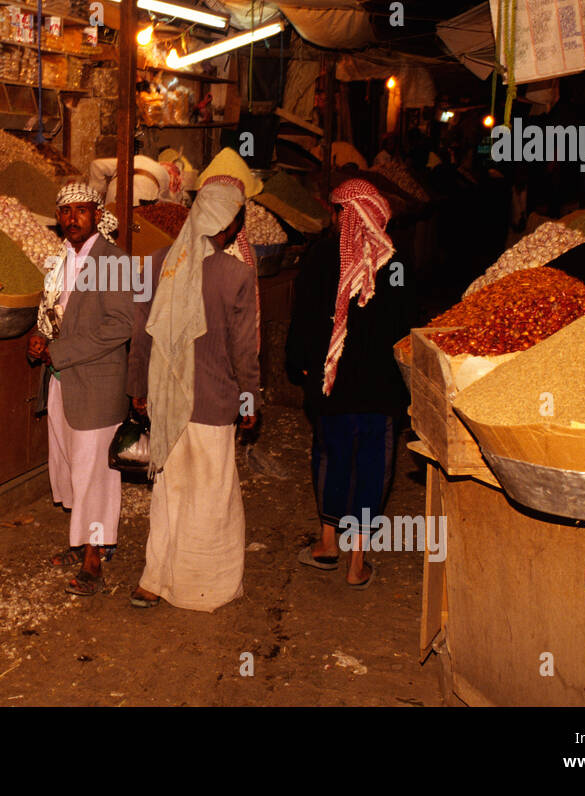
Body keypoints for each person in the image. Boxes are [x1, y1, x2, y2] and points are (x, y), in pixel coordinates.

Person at [127, 177, 260, 611]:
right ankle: (205, 588)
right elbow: (244, 348)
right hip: (215, 403)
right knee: (210, 496)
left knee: (170, 494)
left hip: (166, 400)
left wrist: (137, 390)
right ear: (230, 224)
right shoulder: (236, 274)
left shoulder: (161, 262)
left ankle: (154, 582)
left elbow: (141, 333)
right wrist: (249, 399)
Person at [286, 177, 413, 589]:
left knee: (331, 456)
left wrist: (299, 365)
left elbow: (303, 317)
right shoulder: (392, 263)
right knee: (373, 466)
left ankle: (327, 545)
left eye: (338, 212)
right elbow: (404, 327)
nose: (335, 218)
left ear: (345, 214)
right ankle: (357, 561)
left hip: (332, 383)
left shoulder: (322, 256)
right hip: (380, 388)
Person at [27, 183, 134, 596]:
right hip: (61, 381)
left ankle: (95, 559)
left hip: (95, 382)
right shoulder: (59, 260)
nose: (73, 219)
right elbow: (53, 314)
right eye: (65, 211)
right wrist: (39, 336)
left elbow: (120, 326)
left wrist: (61, 350)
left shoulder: (114, 261)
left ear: (96, 213)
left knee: (95, 474)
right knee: (69, 466)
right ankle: (81, 540)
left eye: (81, 211)